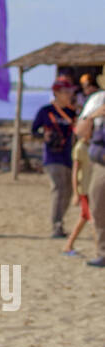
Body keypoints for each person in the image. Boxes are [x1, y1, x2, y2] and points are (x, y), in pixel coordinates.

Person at [31, 76, 77, 238]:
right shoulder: (46, 111)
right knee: (58, 188)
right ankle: (56, 226)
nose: (69, 94)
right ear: (56, 93)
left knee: (69, 191)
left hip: (68, 156)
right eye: (66, 91)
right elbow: (34, 131)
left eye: (70, 91)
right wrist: (45, 135)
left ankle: (60, 221)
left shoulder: (72, 112)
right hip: (52, 157)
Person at [63, 117, 93, 257]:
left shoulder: (92, 146)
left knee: (84, 217)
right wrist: (75, 193)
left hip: (92, 188)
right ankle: (100, 249)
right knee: (92, 218)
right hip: (84, 189)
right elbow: (75, 172)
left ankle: (69, 245)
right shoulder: (80, 148)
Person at [86, 114, 105, 268]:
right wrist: (92, 117)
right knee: (98, 210)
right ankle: (103, 253)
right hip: (100, 166)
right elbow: (80, 132)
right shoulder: (98, 104)